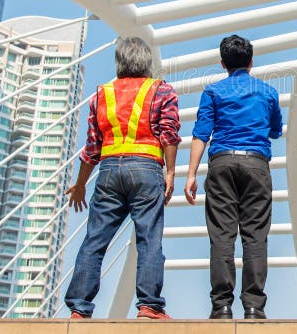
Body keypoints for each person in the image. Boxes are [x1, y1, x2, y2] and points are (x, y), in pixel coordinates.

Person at [64, 36, 180, 320]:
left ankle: (79, 307)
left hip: (108, 171)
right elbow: (169, 133)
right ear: (147, 62)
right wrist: (171, 171)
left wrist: (80, 184)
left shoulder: (102, 94)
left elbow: (92, 147)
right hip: (146, 167)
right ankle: (149, 305)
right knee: (149, 238)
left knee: (95, 240)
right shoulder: (161, 91)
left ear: (119, 62)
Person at [184, 35, 283, 320]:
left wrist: (190, 174)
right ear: (251, 62)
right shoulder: (268, 92)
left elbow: (201, 133)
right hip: (256, 165)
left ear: (222, 63)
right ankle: (253, 307)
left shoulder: (212, 92)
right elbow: (275, 130)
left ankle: (222, 306)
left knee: (222, 236)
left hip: (221, 163)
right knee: (255, 237)